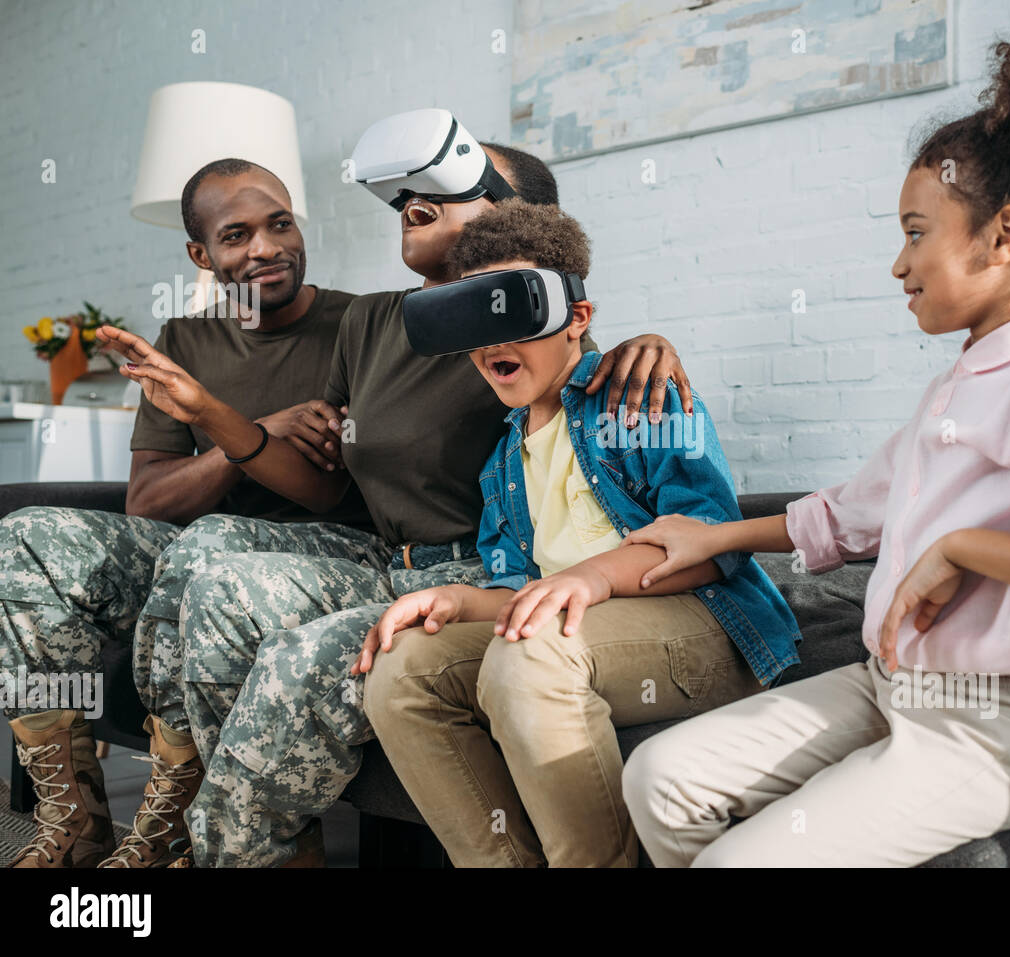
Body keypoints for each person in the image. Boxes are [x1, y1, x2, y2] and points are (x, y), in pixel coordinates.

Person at [619, 8, 1010, 866]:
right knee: (657, 776)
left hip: (977, 725)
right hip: (882, 685)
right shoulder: (953, 390)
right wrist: (713, 535)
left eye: (916, 234)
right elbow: (847, 514)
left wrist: (968, 548)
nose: (898, 265)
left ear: (1005, 235)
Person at [102, 140, 698, 866]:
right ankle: (224, 824)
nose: (417, 197)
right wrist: (211, 411)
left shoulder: (528, 329)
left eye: (454, 187)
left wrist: (646, 343)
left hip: (479, 576)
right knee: (213, 573)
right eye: (416, 189)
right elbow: (324, 482)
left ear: (517, 223)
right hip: (388, 560)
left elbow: (580, 376)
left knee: (300, 659)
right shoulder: (373, 321)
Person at [358, 198, 801, 866]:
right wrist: (453, 600)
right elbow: (522, 592)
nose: (494, 341)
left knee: (532, 653)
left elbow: (712, 544)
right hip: (573, 633)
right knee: (401, 671)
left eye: (516, 312)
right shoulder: (503, 460)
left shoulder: (640, 395)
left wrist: (590, 578)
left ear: (577, 320)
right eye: (478, 318)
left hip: (704, 624)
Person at [0, 158, 373, 868]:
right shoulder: (186, 342)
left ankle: (172, 818)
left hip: (329, 556)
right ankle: (73, 818)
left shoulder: (361, 323)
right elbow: (147, 500)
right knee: (27, 536)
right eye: (237, 235)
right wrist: (248, 431)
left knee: (210, 540)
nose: (266, 247)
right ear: (201, 256)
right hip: (194, 555)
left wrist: (226, 427)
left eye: (280, 224)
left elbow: (327, 490)